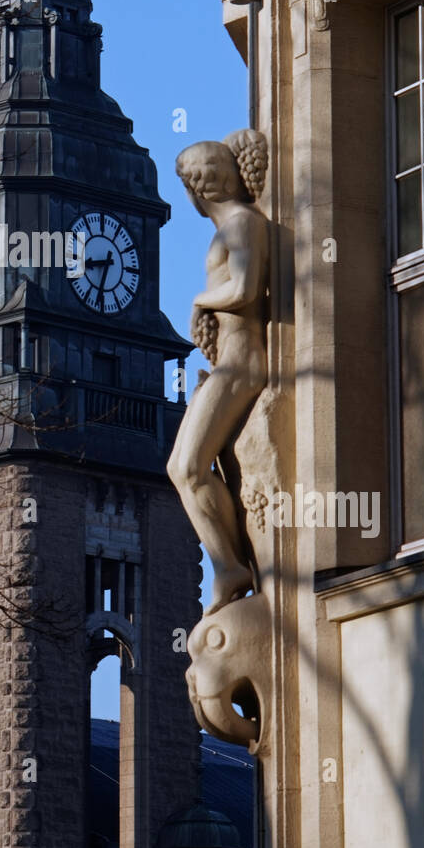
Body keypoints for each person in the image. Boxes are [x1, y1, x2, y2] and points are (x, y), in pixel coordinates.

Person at [167, 130, 269, 614]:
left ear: (195, 188)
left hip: (243, 364)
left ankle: (230, 566)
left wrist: (199, 299)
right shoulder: (230, 228)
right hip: (227, 362)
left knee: (187, 466)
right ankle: (229, 563)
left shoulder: (244, 224)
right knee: (180, 467)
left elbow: (247, 290)